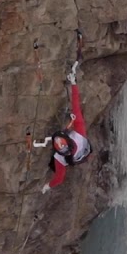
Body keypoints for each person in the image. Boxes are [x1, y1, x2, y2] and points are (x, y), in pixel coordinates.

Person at [39, 61, 92, 193]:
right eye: (60, 141)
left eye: (57, 144)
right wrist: (73, 83)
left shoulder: (59, 158)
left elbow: (59, 178)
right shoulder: (79, 135)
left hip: (77, 155)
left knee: (53, 165)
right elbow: (76, 105)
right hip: (83, 151)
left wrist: (48, 186)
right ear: (68, 138)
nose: (57, 142)